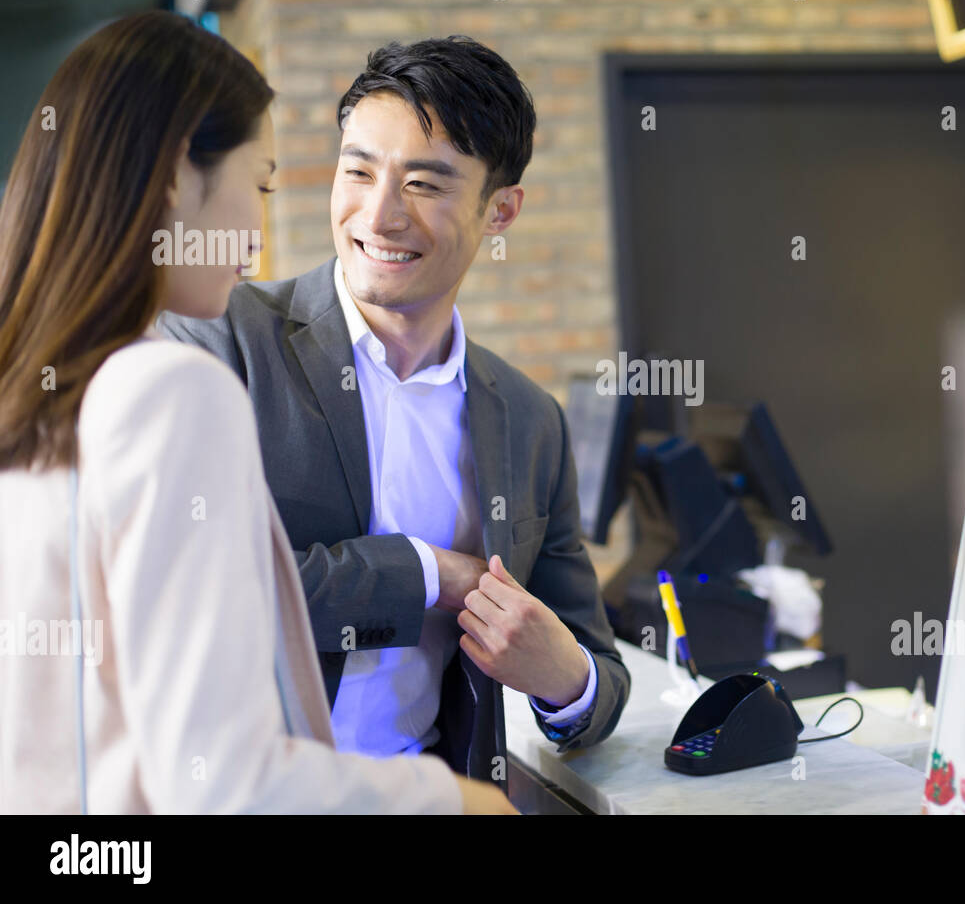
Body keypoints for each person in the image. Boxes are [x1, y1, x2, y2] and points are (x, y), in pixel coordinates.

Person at [0, 11, 514, 814]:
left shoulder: (44, 393)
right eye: (262, 182)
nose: (262, 227)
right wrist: (456, 802)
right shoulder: (171, 390)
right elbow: (226, 786)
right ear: (177, 176)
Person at [160, 38, 630, 779]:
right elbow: (199, 587)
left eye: (424, 184)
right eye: (358, 171)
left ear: (500, 210)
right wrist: (429, 574)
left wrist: (565, 676)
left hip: (420, 792)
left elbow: (597, 668)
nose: (378, 216)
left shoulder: (530, 421)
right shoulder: (222, 339)